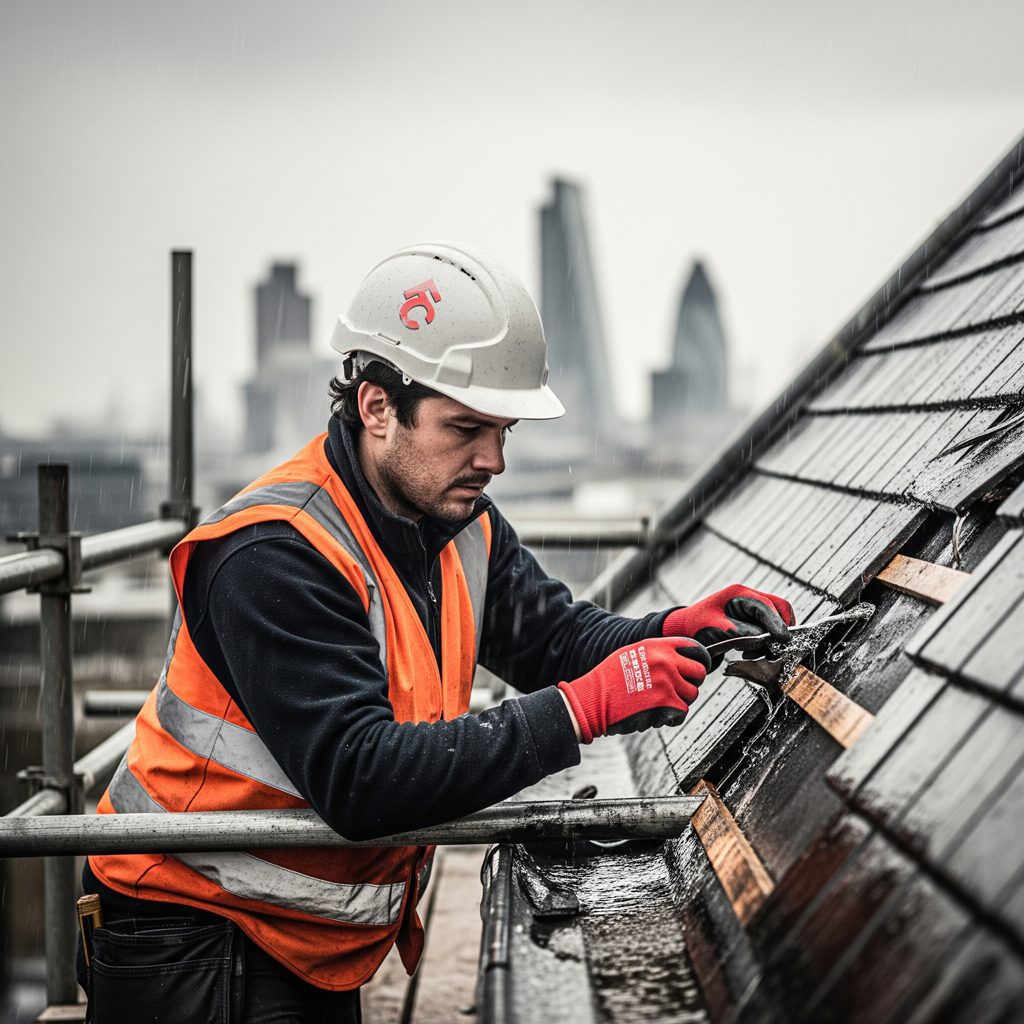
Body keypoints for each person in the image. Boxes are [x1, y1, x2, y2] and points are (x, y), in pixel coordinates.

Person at [78, 241, 794, 1023]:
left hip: (296, 942)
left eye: (504, 430)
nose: (494, 459)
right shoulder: (274, 553)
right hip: (192, 940)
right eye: (466, 428)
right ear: (377, 407)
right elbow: (361, 778)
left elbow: (554, 638)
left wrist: (677, 629)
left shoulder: (458, 524)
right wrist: (581, 709)